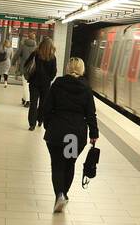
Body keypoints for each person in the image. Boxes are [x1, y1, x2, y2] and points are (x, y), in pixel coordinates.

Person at [39, 56, 98, 213]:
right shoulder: (86, 88)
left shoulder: (58, 84)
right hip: (74, 135)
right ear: (81, 69)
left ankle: (59, 195)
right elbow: (91, 113)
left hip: (57, 132)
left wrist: (48, 125)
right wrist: (93, 133)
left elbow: (46, 108)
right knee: (69, 164)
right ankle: (63, 194)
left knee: (57, 165)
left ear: (67, 68)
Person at [25, 36, 58, 131]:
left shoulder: (35, 54)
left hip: (34, 83)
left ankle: (32, 124)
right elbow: (54, 72)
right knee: (43, 103)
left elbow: (26, 64)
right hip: (46, 84)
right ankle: (40, 120)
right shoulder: (52, 57)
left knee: (33, 104)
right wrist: (48, 79)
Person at [12, 32, 38, 105]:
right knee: (28, 84)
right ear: (34, 38)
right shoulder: (36, 47)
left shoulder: (23, 46)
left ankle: (28, 101)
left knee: (26, 84)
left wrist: (13, 62)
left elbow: (17, 55)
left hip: (24, 68)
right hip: (33, 68)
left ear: (28, 37)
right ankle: (24, 98)